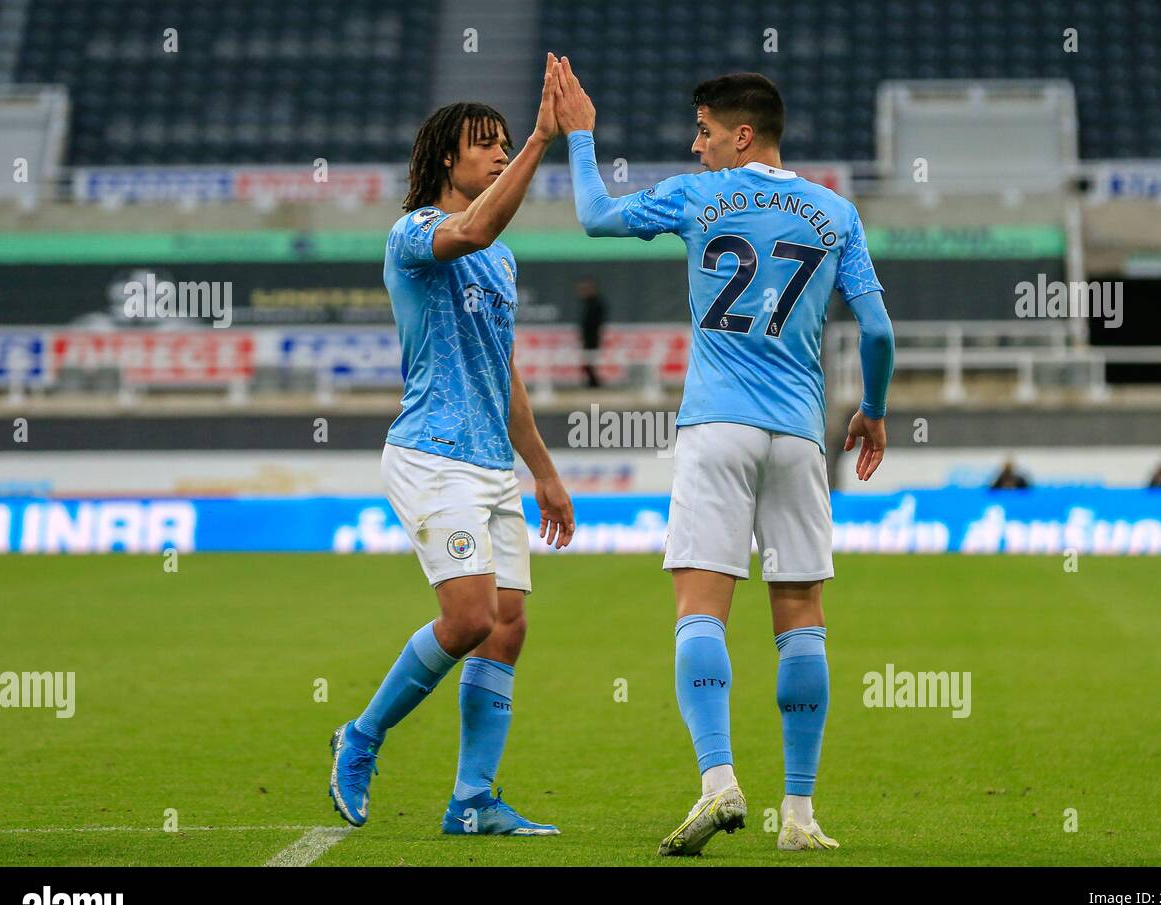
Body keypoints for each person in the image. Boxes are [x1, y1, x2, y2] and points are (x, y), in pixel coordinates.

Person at [556, 64, 895, 854]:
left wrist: (580, 135)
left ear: (742, 134)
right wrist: (873, 411)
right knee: (802, 618)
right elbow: (878, 333)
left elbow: (595, 216)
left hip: (716, 428)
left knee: (700, 611)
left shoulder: (699, 196)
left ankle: (718, 784)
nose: (694, 143)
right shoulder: (835, 211)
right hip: (800, 435)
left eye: (704, 131)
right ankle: (801, 818)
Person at [329, 55, 576, 837]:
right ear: (447, 156)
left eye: (508, 142)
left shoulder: (500, 261)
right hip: (432, 453)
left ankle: (472, 800)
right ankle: (360, 737)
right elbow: (474, 225)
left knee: (508, 624)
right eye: (487, 144)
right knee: (469, 617)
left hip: (492, 465)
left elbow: (505, 375)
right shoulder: (414, 234)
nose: (501, 152)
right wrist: (543, 138)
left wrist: (545, 473)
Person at [576, 277, 607, 387]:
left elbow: (594, 322)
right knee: (588, 362)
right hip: (588, 337)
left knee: (590, 361)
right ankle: (593, 384)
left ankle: (594, 385)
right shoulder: (588, 303)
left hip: (592, 337)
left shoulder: (596, 303)